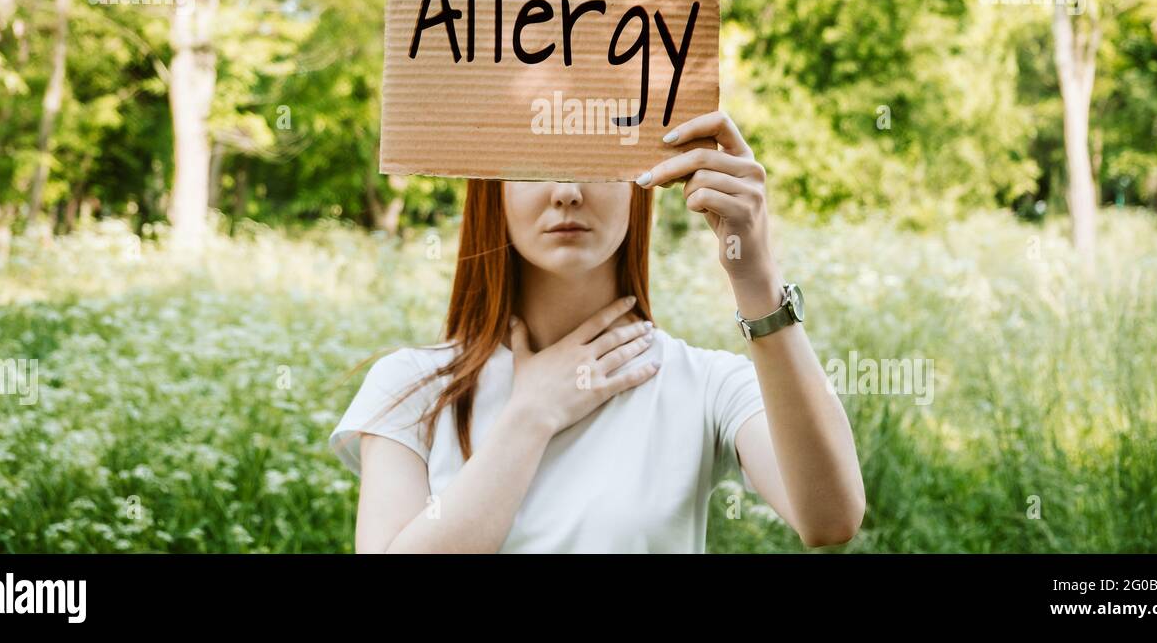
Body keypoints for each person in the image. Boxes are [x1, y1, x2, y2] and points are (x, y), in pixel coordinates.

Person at [329, 110, 865, 552]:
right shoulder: (408, 385)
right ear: (491, 188)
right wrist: (533, 414)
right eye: (536, 164)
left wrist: (756, 277)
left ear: (640, 184)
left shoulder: (705, 385)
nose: (566, 190)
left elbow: (830, 517)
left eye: (595, 161)